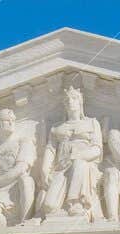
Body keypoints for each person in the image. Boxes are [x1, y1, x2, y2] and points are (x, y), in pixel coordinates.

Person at [38, 87, 102, 220]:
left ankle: (76, 203)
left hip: (85, 167)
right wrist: (44, 168)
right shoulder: (57, 127)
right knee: (49, 207)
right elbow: (50, 148)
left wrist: (77, 156)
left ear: (80, 101)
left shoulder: (92, 123)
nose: (70, 102)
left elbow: (97, 150)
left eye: (74, 98)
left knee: (80, 164)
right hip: (61, 168)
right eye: (67, 100)